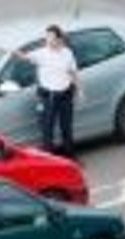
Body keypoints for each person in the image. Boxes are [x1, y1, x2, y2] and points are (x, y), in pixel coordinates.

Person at [21, 24, 80, 157]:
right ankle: (50, 162)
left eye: (51, 38)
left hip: (65, 95)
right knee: (47, 130)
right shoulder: (41, 53)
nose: (48, 40)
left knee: (67, 128)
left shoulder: (67, 53)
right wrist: (13, 51)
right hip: (48, 98)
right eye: (46, 37)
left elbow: (72, 72)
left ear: (59, 39)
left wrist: (79, 90)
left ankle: (70, 158)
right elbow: (24, 57)